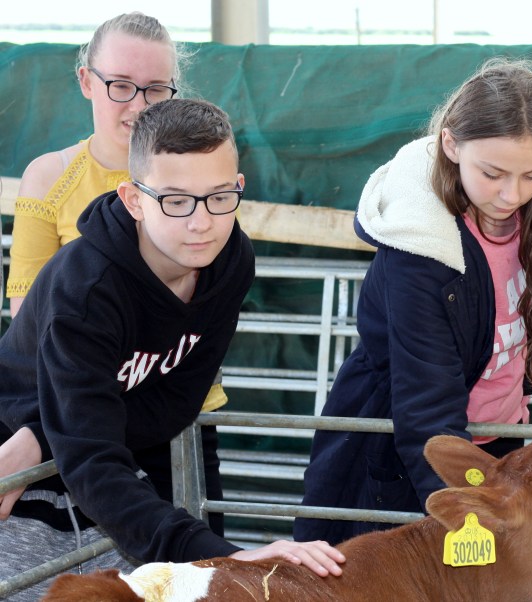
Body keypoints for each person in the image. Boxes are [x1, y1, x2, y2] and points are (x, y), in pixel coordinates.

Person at [0, 98, 345, 601]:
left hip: (85, 453)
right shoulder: (87, 290)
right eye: (175, 200)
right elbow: (92, 456)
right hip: (15, 464)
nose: (201, 222)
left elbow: (174, 402)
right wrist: (219, 556)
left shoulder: (231, 261)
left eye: (219, 196)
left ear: (239, 188)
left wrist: (47, 435)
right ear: (133, 199)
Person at [294, 58, 532, 545]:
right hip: (411, 454)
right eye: (493, 173)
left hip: (493, 441)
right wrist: (467, 521)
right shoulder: (421, 249)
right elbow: (425, 407)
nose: (512, 193)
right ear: (451, 144)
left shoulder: (529, 213)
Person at [2, 11, 229, 533]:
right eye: (121, 85)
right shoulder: (51, 177)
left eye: (156, 90)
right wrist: (48, 431)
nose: (138, 105)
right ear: (86, 81)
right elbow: (33, 322)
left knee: (194, 565)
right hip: (76, 416)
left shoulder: (198, 175)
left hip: (179, 410)